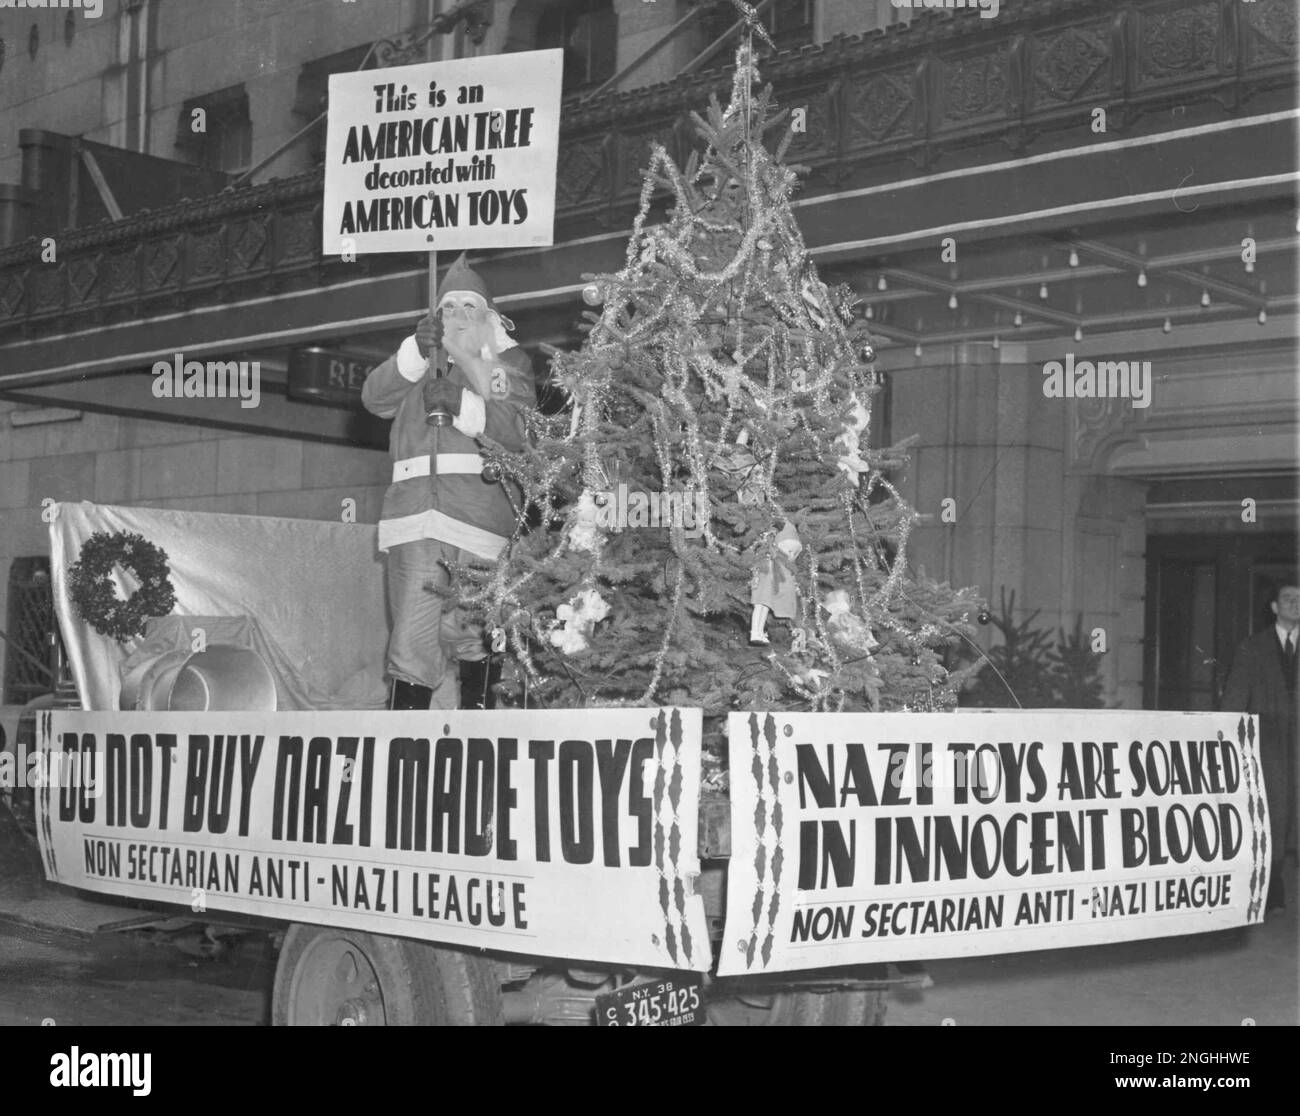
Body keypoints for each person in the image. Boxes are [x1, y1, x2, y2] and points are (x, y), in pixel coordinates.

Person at [362, 254, 535, 710]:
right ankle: (407, 755)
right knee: (411, 642)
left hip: (479, 521)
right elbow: (373, 398)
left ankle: (476, 746)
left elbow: (516, 427)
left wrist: (462, 401)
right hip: (415, 521)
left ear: (489, 317)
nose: (458, 314)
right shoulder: (417, 365)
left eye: (469, 306)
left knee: (478, 636)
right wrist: (417, 352)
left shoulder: (501, 363)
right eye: (449, 306)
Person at [1221, 582, 1299, 912]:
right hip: (1268, 745)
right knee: (1272, 814)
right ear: (1273, 607)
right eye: (1287, 598)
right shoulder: (1252, 648)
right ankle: (1271, 884)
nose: (1295, 604)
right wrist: (1226, 742)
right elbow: (1234, 701)